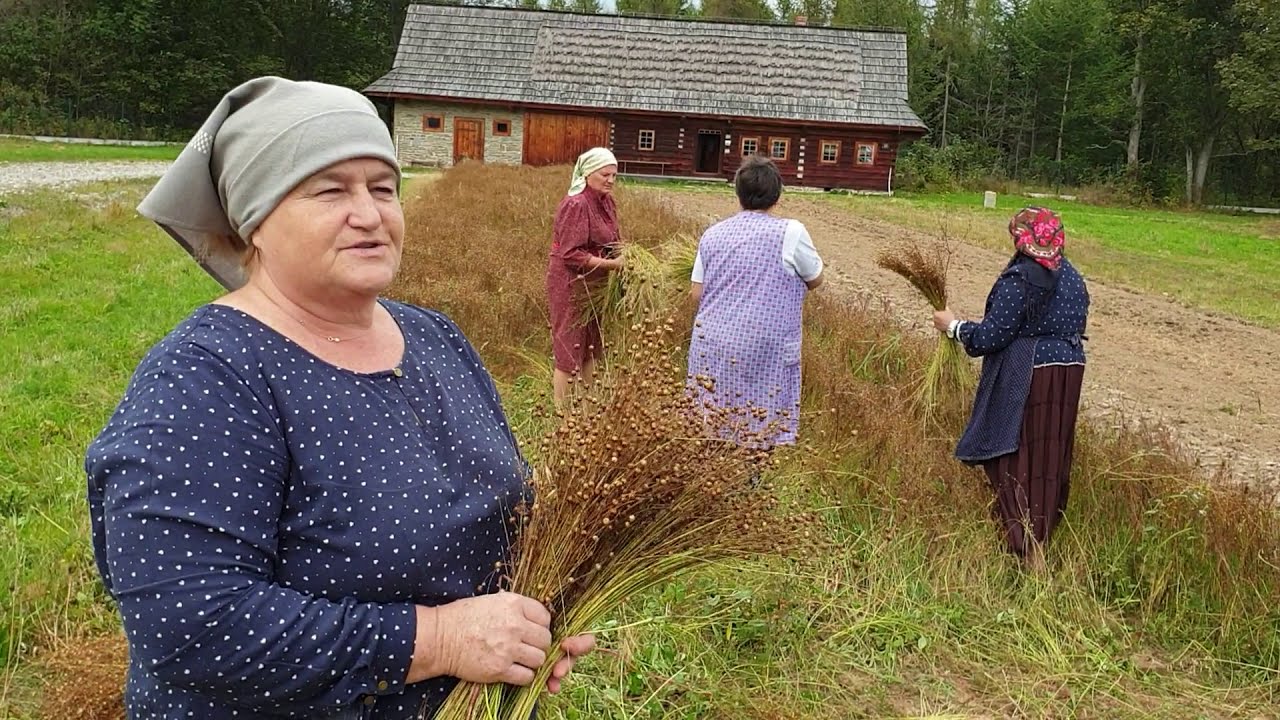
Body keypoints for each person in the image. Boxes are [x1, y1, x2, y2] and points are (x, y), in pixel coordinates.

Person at [85, 76, 593, 720]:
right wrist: (440, 640)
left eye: (383, 188)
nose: (370, 215)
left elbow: (499, 510)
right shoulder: (207, 377)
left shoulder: (435, 337)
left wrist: (529, 624)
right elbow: (189, 625)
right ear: (254, 222)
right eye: (330, 190)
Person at [932, 206, 1090, 572]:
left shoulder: (1022, 279)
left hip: (1030, 375)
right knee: (1049, 459)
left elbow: (991, 336)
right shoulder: (1072, 277)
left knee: (1015, 457)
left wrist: (953, 326)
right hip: (1068, 372)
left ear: (1021, 238)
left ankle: (1028, 553)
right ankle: (1038, 544)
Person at [686, 154, 824, 448]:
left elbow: (696, 293)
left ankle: (713, 473)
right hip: (762, 347)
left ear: (738, 193)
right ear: (777, 195)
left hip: (711, 342)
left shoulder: (712, 234)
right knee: (759, 426)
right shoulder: (791, 232)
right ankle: (750, 473)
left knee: (711, 422)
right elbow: (815, 278)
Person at [545, 147, 623, 408]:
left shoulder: (607, 202)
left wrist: (629, 257)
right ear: (588, 174)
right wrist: (612, 265)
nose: (611, 180)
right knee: (570, 348)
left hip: (596, 283)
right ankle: (563, 414)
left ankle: (587, 409)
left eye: (614, 175)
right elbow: (570, 254)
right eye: (605, 174)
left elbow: (613, 240)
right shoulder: (576, 204)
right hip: (571, 283)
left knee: (591, 345)